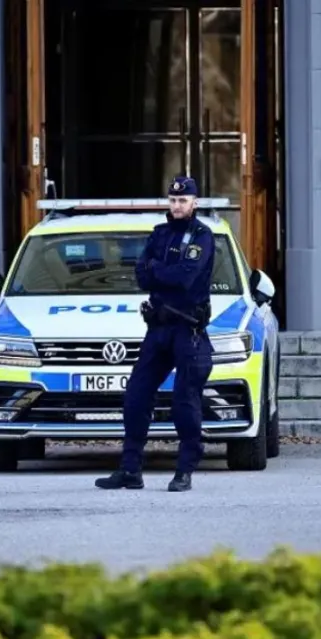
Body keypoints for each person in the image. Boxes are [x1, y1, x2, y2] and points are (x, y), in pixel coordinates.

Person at [96, 176, 215, 493]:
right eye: (173, 200)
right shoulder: (160, 234)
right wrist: (160, 274)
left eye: (183, 200)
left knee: (184, 402)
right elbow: (140, 276)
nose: (177, 205)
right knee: (136, 396)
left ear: (194, 203)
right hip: (158, 329)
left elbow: (186, 279)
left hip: (187, 329)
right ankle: (130, 470)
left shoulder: (203, 236)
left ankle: (184, 470)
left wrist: (157, 271)